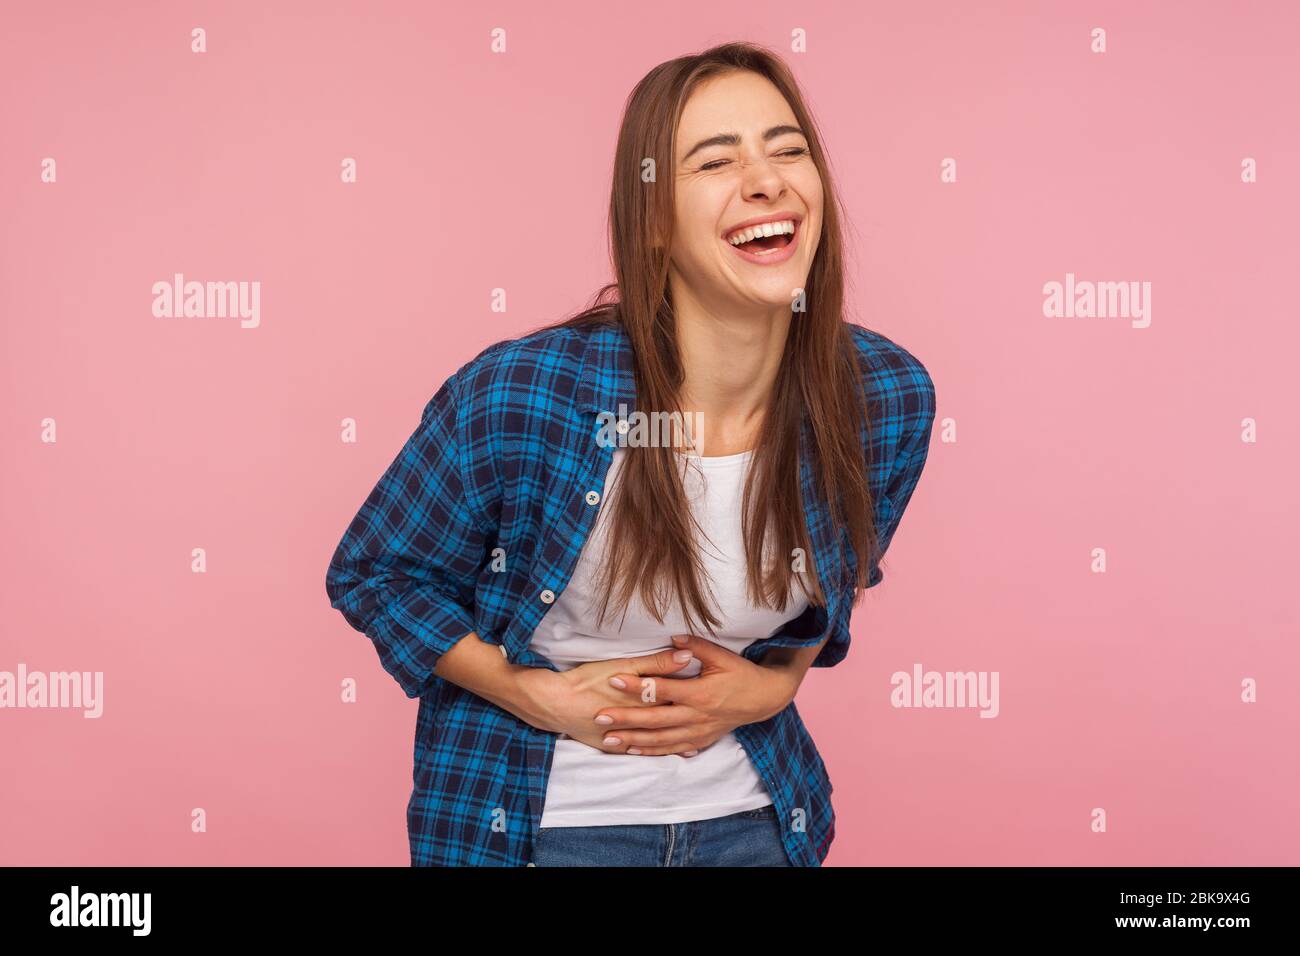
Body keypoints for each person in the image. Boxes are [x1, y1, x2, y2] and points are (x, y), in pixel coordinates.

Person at [325, 41, 936, 867]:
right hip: (544, 833)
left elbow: (836, 582)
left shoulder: (884, 397)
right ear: (651, 224)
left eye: (788, 149)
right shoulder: (525, 392)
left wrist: (776, 682)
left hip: (759, 825)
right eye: (716, 161)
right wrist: (532, 695)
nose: (767, 181)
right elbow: (378, 571)